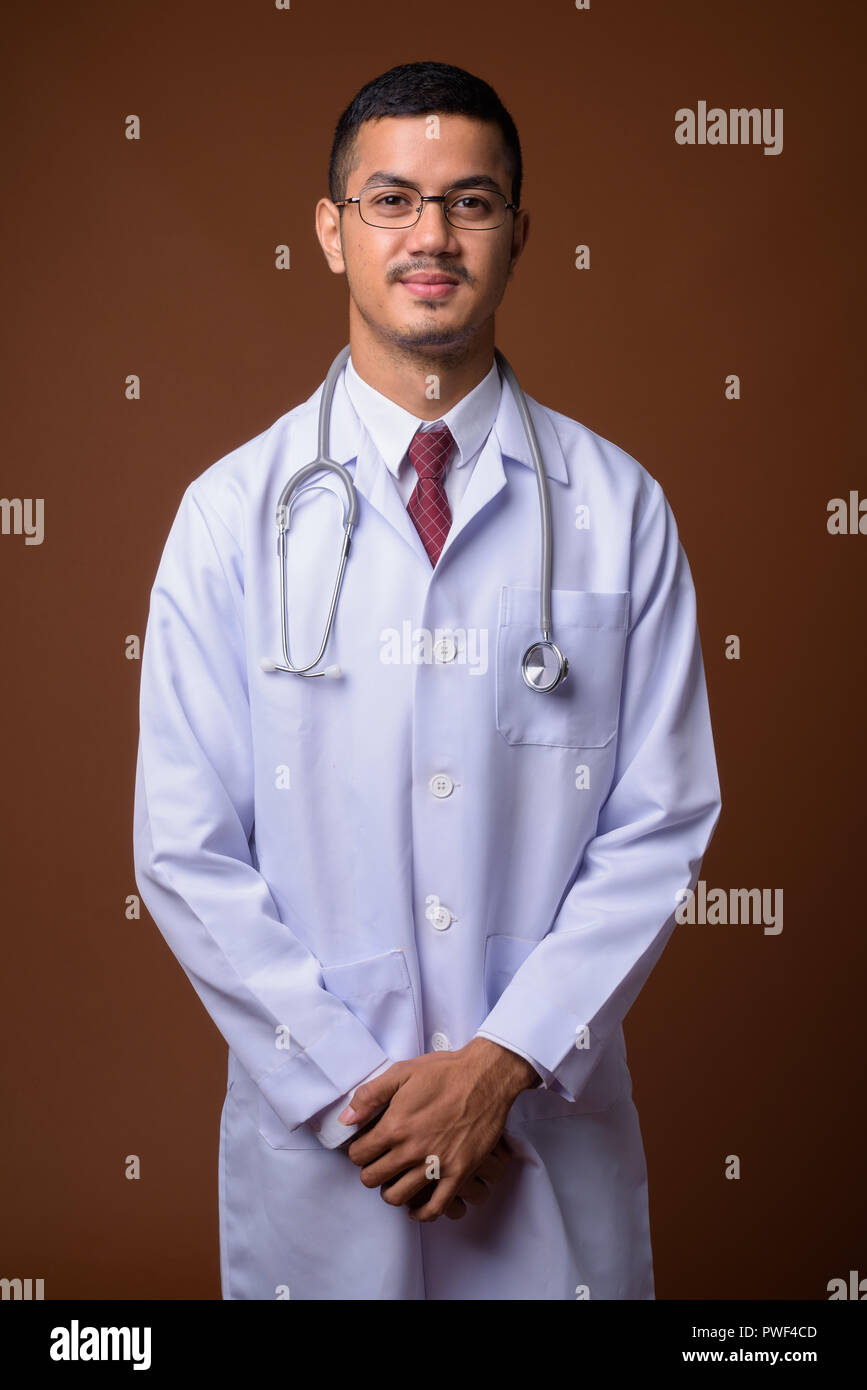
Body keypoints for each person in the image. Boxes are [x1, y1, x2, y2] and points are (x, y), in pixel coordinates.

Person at [133, 60, 721, 1301]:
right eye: (392, 199)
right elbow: (187, 849)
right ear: (331, 231)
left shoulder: (616, 510)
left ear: (519, 231)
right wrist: (368, 1098)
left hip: (542, 1138)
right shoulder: (230, 514)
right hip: (323, 1152)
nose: (431, 236)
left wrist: (499, 1064)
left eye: (471, 201)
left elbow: (661, 822)